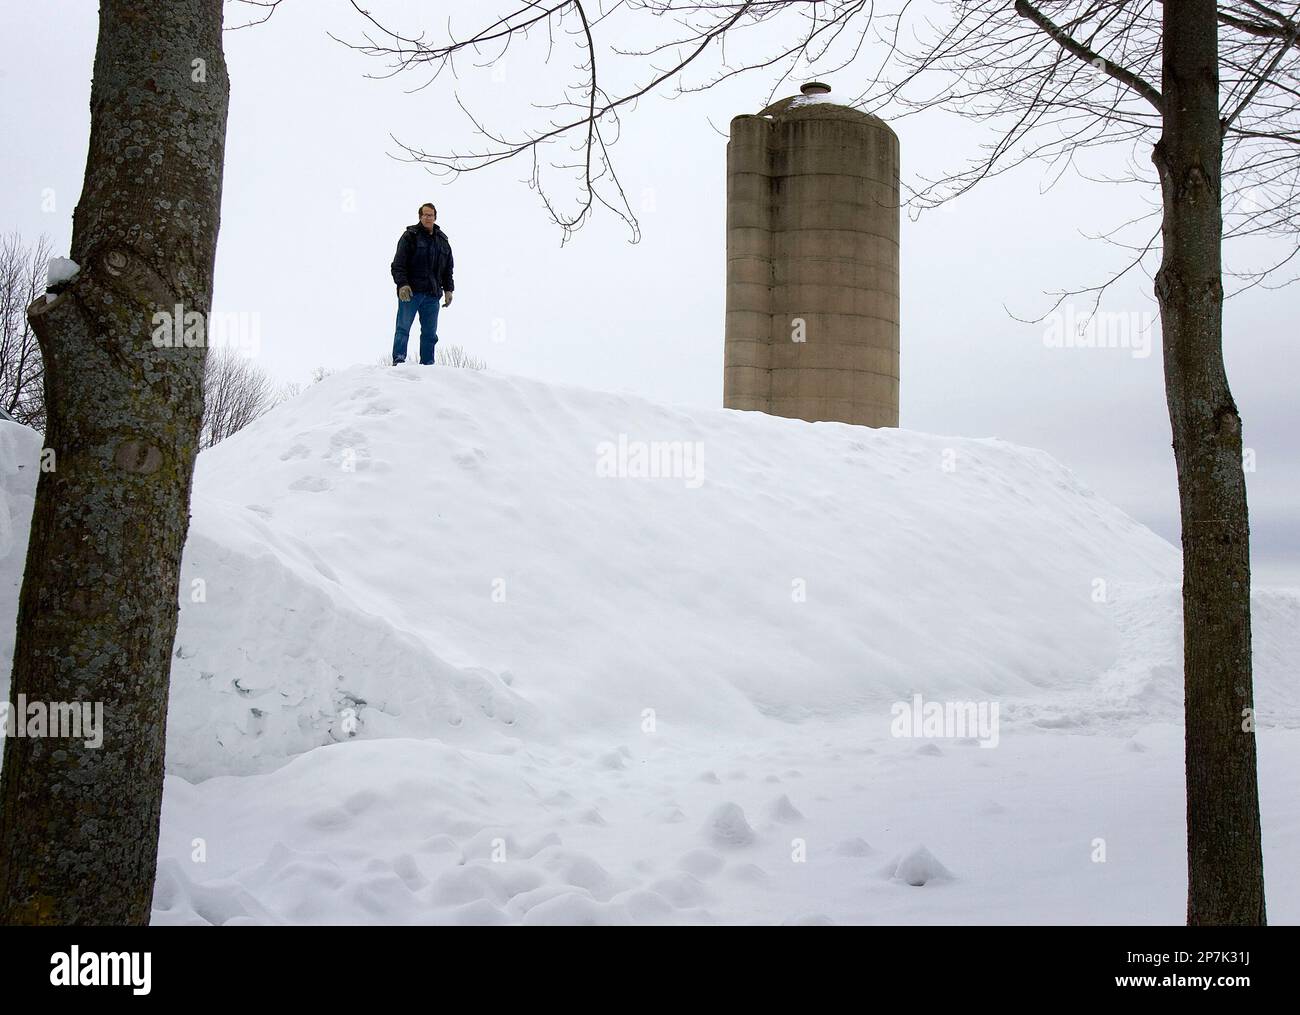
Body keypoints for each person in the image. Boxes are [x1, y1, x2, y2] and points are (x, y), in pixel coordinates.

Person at [389, 202, 454, 365]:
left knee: (430, 334)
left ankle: (427, 364)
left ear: (435, 217)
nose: (427, 217)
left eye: (430, 215)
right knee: (403, 328)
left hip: (432, 295)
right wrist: (402, 284)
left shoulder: (442, 241)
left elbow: (448, 269)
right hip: (411, 293)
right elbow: (398, 264)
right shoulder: (410, 236)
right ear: (420, 217)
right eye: (424, 214)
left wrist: (448, 290)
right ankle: (399, 360)